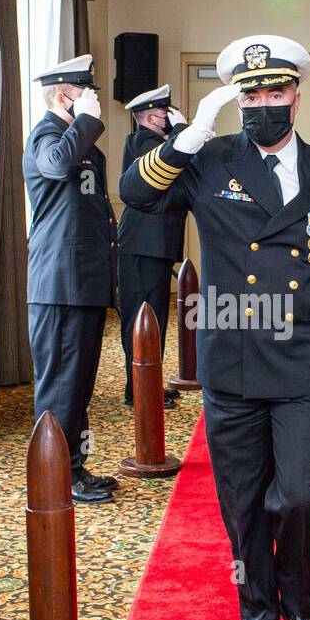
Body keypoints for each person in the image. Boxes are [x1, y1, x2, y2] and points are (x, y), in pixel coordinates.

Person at [119, 35, 310, 620]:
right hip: (233, 357)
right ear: (237, 101)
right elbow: (137, 195)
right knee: (244, 505)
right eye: (250, 94)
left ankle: (303, 609)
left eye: (275, 92)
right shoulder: (208, 161)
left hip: (301, 360)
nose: (263, 104)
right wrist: (186, 138)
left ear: (296, 95)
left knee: (299, 496)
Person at [23, 54, 119, 504]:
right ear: (64, 96)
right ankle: (55, 477)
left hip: (81, 283)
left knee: (77, 385)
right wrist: (84, 123)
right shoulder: (47, 135)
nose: (95, 101)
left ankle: (73, 468)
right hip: (58, 284)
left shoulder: (79, 142)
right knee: (61, 386)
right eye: (87, 92)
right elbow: (57, 166)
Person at [117, 84, 188, 410]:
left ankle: (146, 386)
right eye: (164, 111)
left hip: (152, 245)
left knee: (152, 319)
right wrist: (183, 132)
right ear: (148, 115)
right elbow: (166, 180)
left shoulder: (153, 142)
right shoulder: (144, 143)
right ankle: (140, 392)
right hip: (144, 245)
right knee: (143, 320)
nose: (168, 116)